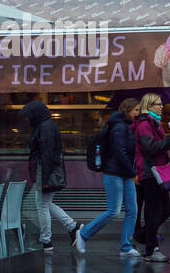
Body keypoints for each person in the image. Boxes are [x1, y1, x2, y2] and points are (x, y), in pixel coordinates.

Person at [80, 98, 140, 259]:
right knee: (113, 211)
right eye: (136, 110)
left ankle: (126, 247)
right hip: (114, 173)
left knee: (132, 210)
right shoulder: (119, 127)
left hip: (124, 173)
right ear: (127, 111)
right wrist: (133, 172)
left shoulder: (127, 126)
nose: (138, 114)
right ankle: (83, 234)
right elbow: (120, 152)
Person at [22, 100, 82, 253]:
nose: (27, 119)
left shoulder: (45, 127)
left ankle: (46, 241)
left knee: (42, 205)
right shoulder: (45, 126)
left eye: (29, 115)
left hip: (45, 172)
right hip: (44, 171)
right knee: (45, 203)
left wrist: (45, 178)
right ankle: (72, 227)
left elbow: (47, 154)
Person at [133, 92, 170, 263]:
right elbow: (151, 147)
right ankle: (150, 250)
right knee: (155, 212)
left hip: (159, 172)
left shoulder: (156, 123)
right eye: (157, 104)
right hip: (149, 173)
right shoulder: (144, 125)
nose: (161, 106)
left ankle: (141, 236)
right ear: (148, 106)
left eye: (161, 104)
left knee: (165, 210)